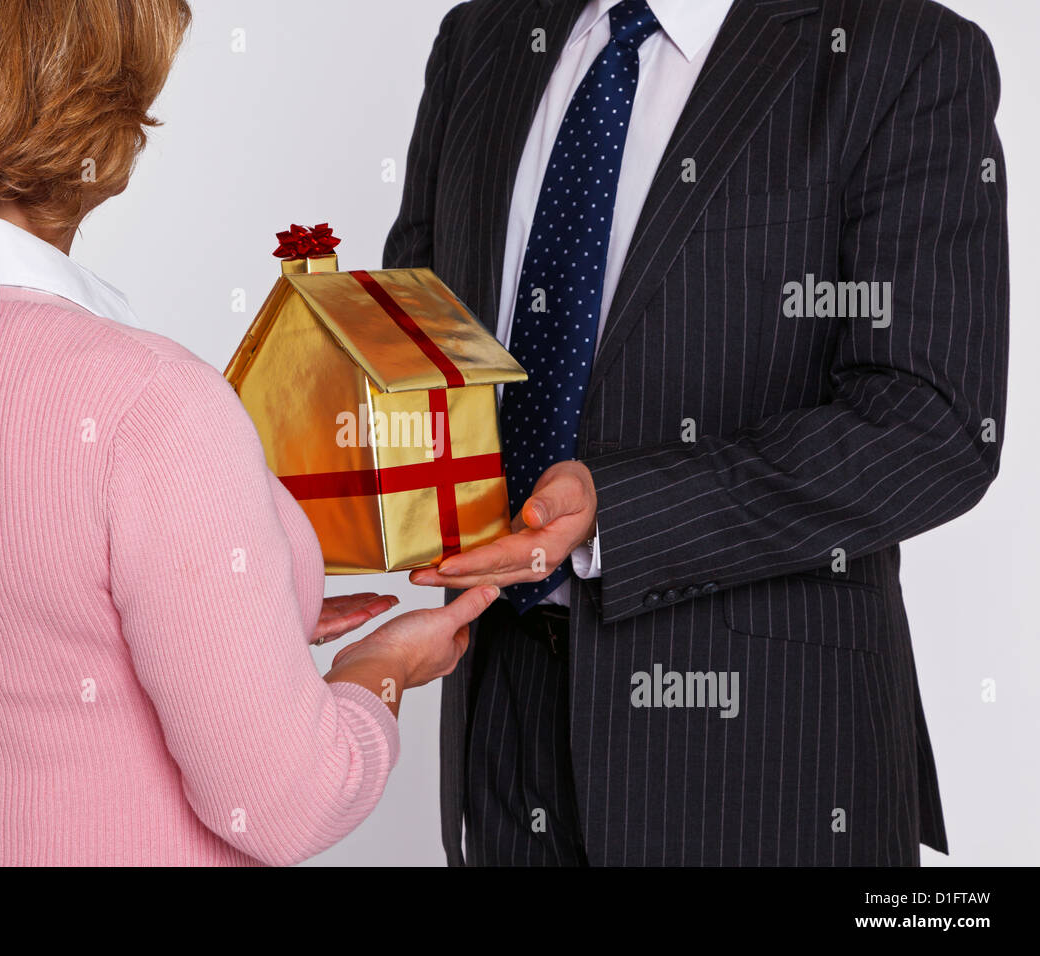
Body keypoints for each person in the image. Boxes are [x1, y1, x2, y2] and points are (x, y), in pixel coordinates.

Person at [0, 0, 497, 867]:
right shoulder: (151, 403)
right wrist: (381, 673)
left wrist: (239, 625)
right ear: (88, 109)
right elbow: (288, 807)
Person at [387, 0, 1007, 865]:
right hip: (503, 712)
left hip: (763, 756)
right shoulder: (482, 36)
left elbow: (933, 425)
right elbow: (414, 339)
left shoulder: (902, 52)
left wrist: (618, 513)